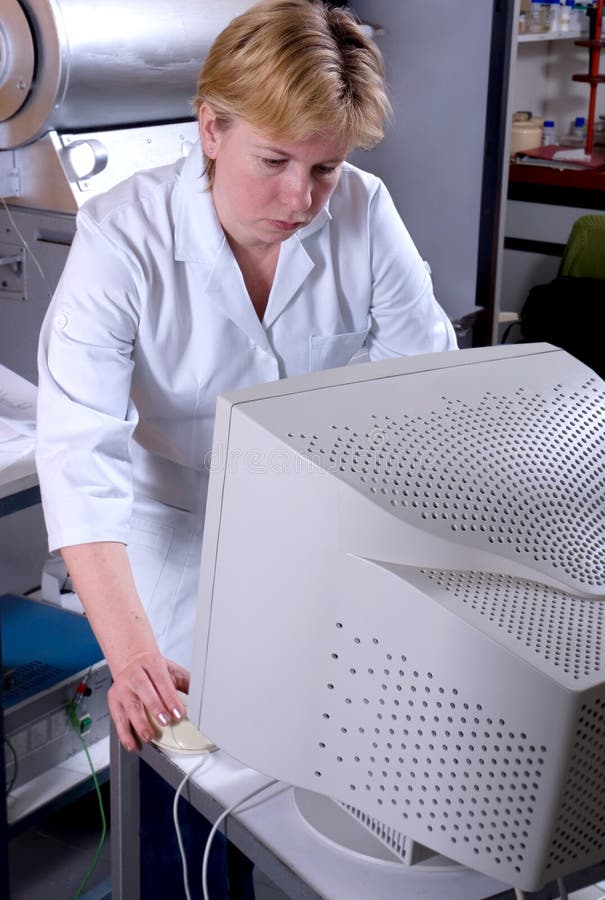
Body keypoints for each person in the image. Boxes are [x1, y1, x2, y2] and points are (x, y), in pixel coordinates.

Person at [36, 0, 457, 893]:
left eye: (325, 168)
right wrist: (131, 651)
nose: (300, 200)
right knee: (182, 798)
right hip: (171, 552)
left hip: (320, 535)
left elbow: (422, 391)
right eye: (273, 162)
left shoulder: (363, 212)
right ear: (210, 128)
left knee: (324, 800)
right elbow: (81, 457)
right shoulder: (124, 237)